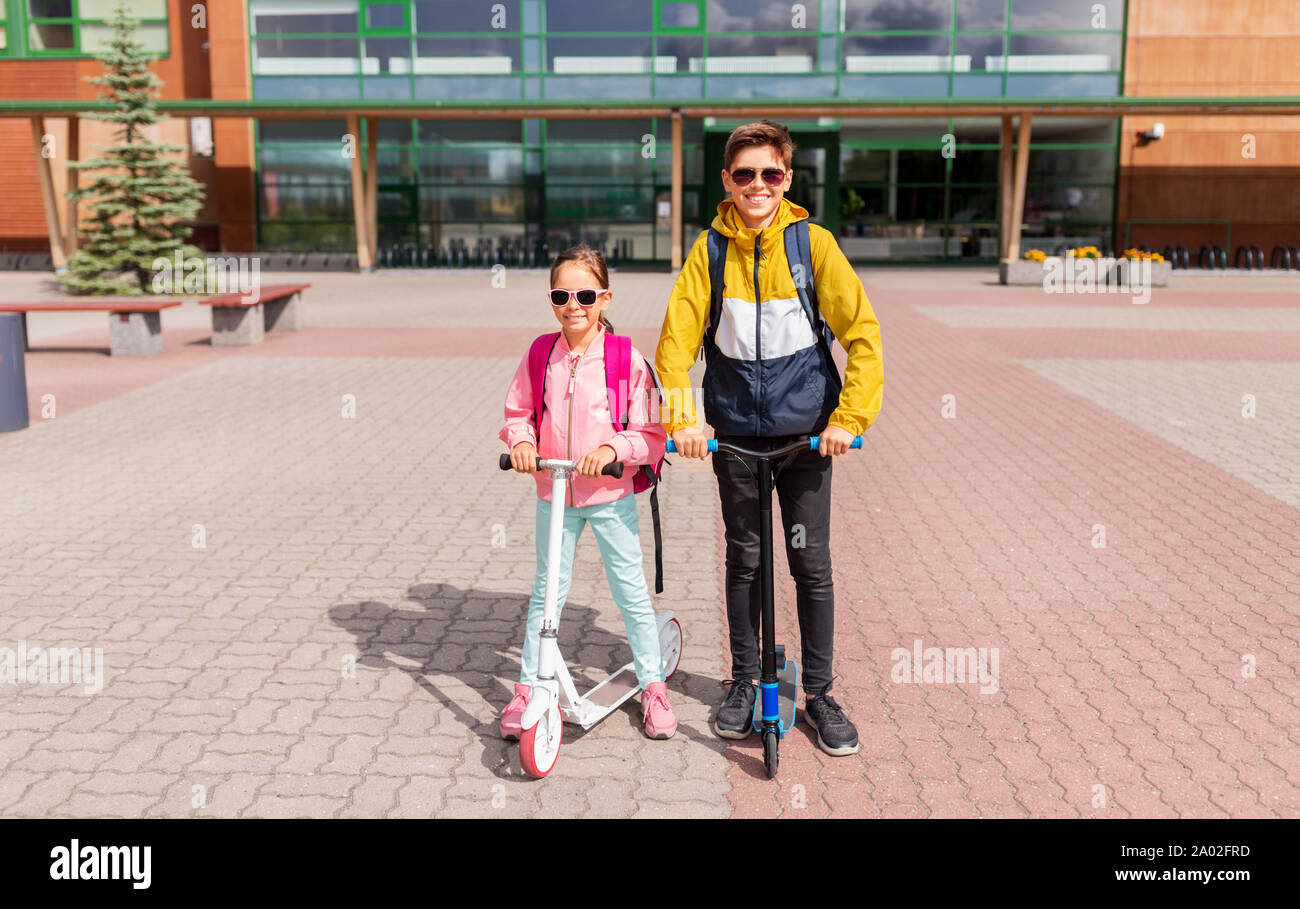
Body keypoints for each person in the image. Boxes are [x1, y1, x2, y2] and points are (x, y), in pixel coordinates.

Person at [655, 120, 884, 756]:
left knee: (811, 563)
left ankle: (819, 692)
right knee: (746, 560)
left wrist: (848, 421)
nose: (758, 184)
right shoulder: (710, 250)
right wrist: (684, 422)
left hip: (807, 441)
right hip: (733, 440)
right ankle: (742, 680)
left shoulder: (815, 246)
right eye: (745, 174)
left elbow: (861, 335)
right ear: (726, 182)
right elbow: (676, 345)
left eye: (770, 174)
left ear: (787, 180)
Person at [499, 244, 676, 740]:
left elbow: (648, 432)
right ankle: (531, 685)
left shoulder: (622, 359)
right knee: (546, 592)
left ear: (605, 298)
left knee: (629, 591)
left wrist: (611, 447)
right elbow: (518, 413)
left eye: (584, 294)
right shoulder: (541, 354)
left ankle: (653, 684)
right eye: (561, 294)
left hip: (608, 497)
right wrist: (522, 443)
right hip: (553, 493)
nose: (572, 304)